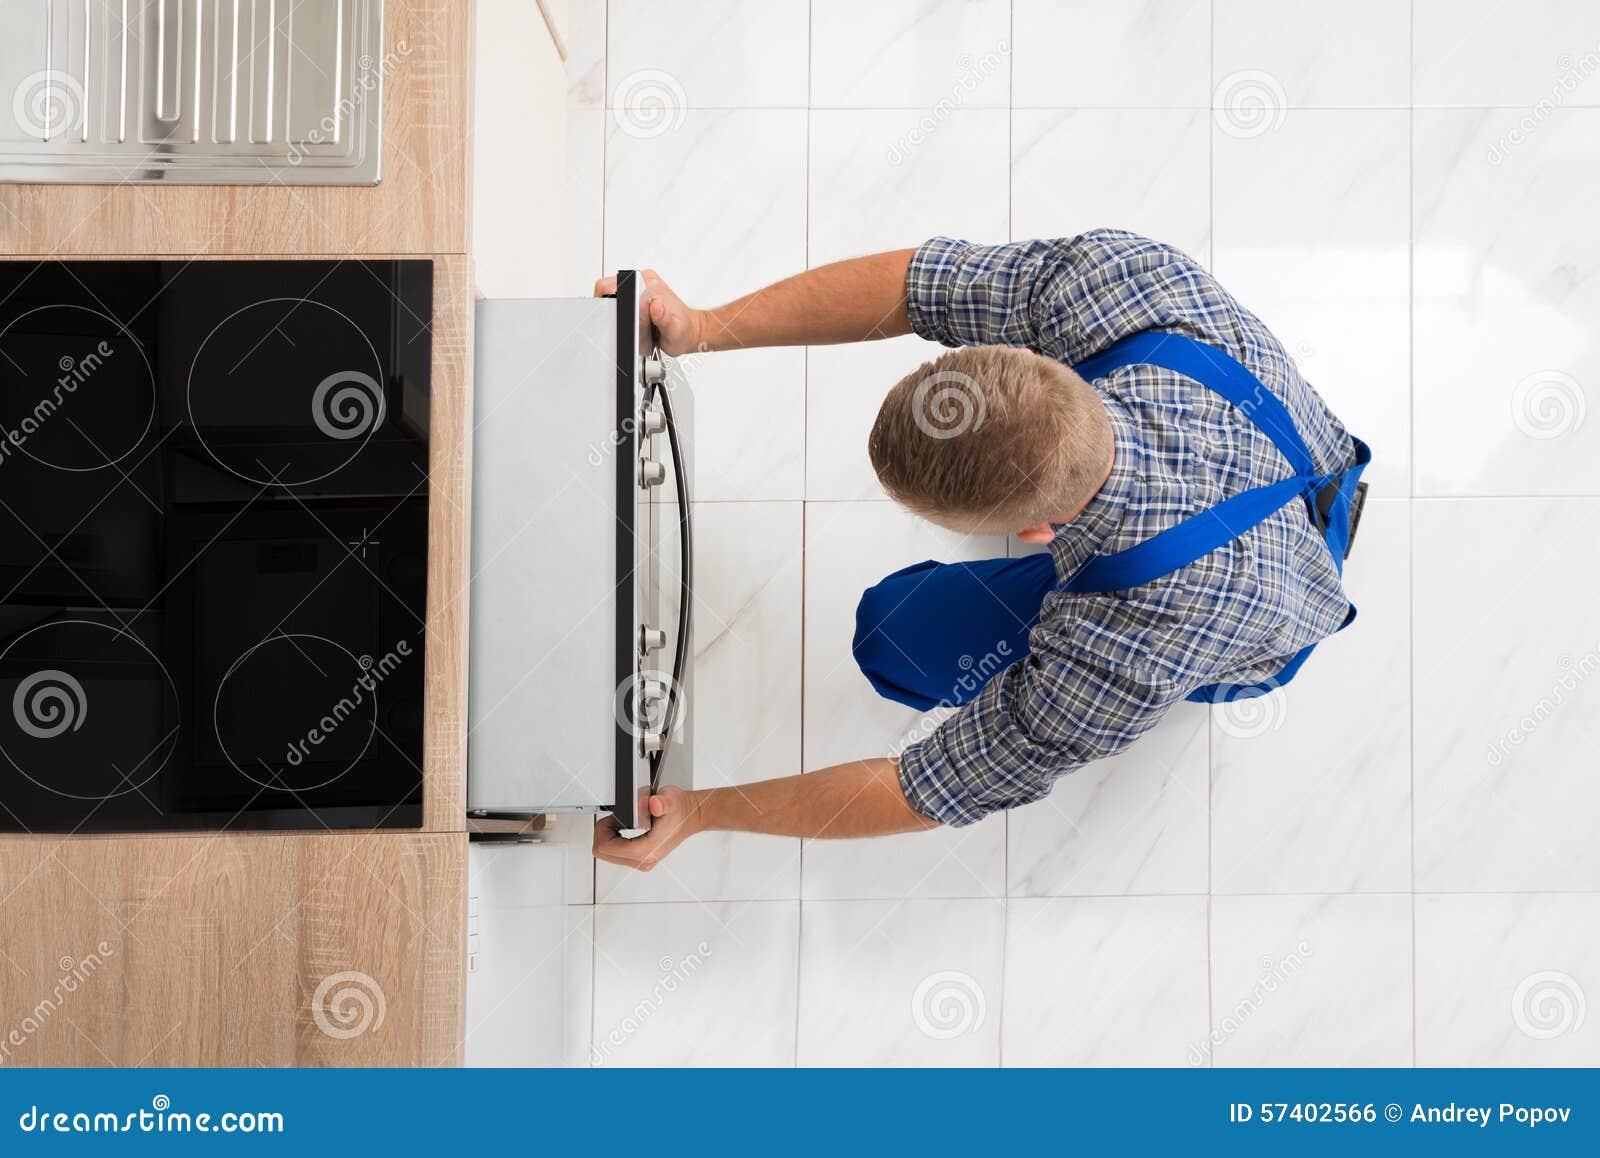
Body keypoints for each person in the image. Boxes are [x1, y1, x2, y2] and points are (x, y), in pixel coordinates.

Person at [592, 229, 1368, 872]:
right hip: (1281, 449)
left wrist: (700, 814)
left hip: (1267, 598)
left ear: (1040, 531)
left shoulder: (1136, 643)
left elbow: (925, 787)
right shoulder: (1124, 282)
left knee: (895, 635)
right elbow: (912, 285)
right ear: (1031, 357)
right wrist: (702, 325)